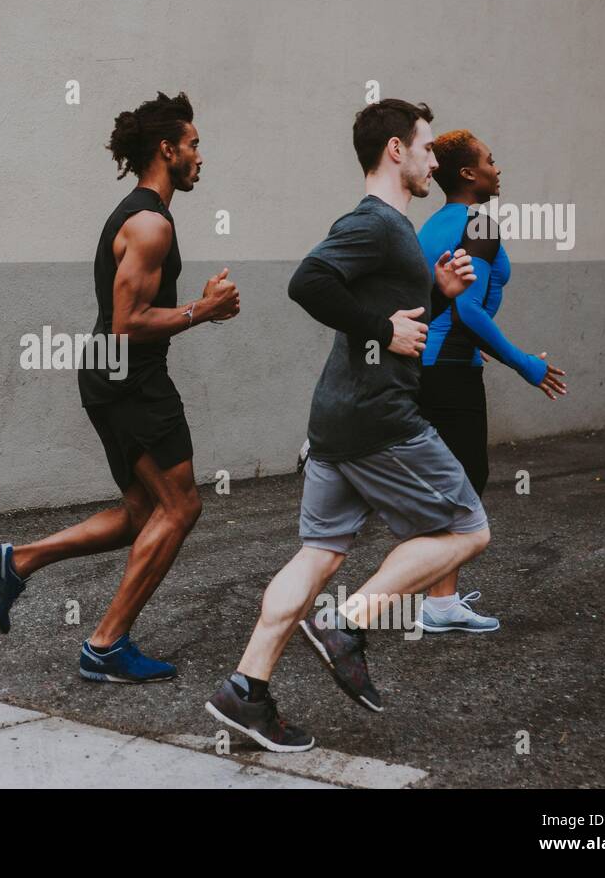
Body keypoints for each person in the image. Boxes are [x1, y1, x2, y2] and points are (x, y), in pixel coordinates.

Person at [205, 99, 485, 751]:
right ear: (395, 149)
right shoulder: (377, 224)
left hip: (339, 417)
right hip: (377, 418)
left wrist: (435, 294)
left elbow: (384, 314)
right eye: (424, 146)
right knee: (470, 527)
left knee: (321, 552)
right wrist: (385, 327)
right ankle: (347, 624)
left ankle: (245, 690)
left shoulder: (394, 235)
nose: (433, 159)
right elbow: (309, 281)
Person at [0, 92, 240, 683]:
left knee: (143, 510)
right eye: (194, 145)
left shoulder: (144, 216)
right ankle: (105, 644)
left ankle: (15, 561)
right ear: (167, 149)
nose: (201, 156)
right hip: (132, 379)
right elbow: (128, 322)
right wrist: (206, 309)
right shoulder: (150, 224)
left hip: (114, 375)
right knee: (182, 506)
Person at [415, 129, 566, 634]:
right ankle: (437, 602)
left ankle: (440, 598)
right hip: (450, 370)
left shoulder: (435, 224)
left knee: (449, 481)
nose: (497, 170)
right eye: (491, 161)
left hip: (431, 365)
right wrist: (526, 365)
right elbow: (466, 310)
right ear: (467, 173)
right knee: (463, 480)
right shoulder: (478, 222)